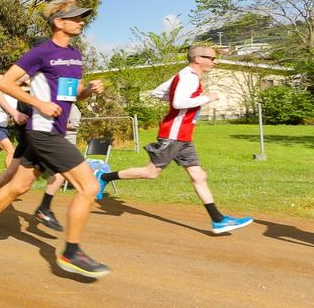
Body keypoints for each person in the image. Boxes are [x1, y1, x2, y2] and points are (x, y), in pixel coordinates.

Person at [0, 0, 108, 278]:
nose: (82, 21)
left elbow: (68, 95)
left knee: (19, 187)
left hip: (53, 131)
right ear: (59, 22)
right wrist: (39, 104)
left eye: (82, 17)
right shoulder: (40, 53)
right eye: (76, 17)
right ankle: (72, 251)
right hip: (42, 131)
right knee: (89, 187)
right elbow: (5, 84)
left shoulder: (75, 55)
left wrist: (88, 91)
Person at [96, 45, 253, 233]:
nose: (215, 61)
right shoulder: (188, 77)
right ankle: (103, 176)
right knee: (151, 172)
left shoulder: (185, 75)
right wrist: (206, 98)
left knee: (199, 176)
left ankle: (218, 219)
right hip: (173, 135)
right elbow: (178, 103)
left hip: (184, 136)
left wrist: (182, 99)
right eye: (211, 58)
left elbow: (158, 93)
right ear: (197, 59)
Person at [31, 103, 81, 231]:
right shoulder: (51, 104)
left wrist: (59, 125)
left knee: (59, 175)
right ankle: (44, 208)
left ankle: (44, 207)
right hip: (50, 141)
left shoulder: (73, 108)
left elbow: (74, 125)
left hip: (66, 143)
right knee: (21, 183)